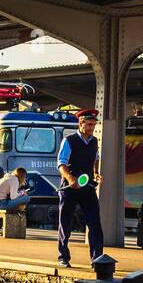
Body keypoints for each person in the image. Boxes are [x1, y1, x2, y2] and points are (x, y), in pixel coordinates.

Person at [56, 109, 104, 269]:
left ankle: (97, 258)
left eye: (94, 125)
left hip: (87, 187)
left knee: (95, 222)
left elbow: (95, 158)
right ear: (81, 123)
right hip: (69, 188)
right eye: (89, 124)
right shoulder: (68, 141)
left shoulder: (94, 141)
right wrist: (70, 178)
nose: (92, 128)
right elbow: (61, 164)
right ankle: (63, 256)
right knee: (65, 223)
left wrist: (96, 173)